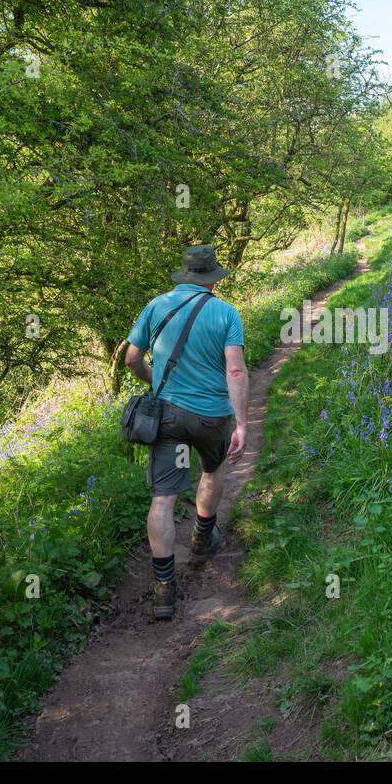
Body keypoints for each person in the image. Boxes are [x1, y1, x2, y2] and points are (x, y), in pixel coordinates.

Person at [124, 245, 248, 619]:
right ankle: (200, 537)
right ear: (212, 278)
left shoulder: (157, 306)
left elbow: (131, 358)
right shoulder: (226, 314)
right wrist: (242, 423)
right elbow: (237, 372)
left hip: (168, 416)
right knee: (211, 471)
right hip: (212, 417)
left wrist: (155, 381)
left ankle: (164, 589)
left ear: (185, 274)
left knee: (163, 497)